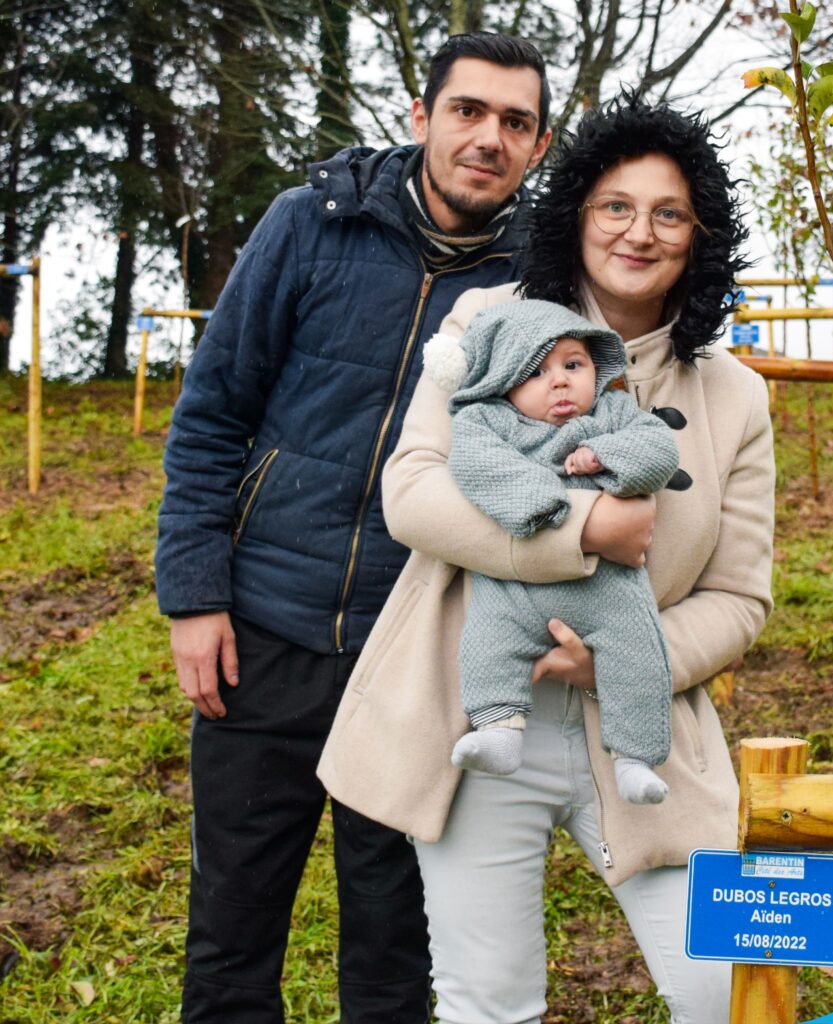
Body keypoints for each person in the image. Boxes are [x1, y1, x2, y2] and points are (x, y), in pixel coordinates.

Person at [318, 95, 773, 1024]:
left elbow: (739, 596)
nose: (638, 232)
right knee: (488, 1003)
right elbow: (414, 492)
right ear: (576, 213)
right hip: (484, 711)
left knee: (722, 990)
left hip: (647, 728)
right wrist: (582, 531)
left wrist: (621, 661)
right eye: (616, 205)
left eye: (669, 213)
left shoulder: (734, 394)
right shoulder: (487, 321)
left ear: (700, 238)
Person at [154, 32, 555, 1023]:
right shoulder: (307, 225)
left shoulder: (543, 285)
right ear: (422, 117)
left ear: (539, 147)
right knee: (231, 934)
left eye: (515, 122)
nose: (488, 137)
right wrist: (195, 595)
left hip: (419, 655)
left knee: (393, 951)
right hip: (263, 636)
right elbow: (212, 414)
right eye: (467, 110)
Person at [425, 300, 679, 804]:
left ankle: (635, 758)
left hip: (608, 586)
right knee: (487, 640)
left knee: (638, 650)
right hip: (514, 587)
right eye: (536, 371)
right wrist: (545, 501)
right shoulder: (487, 420)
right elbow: (476, 465)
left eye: (573, 364)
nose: (560, 381)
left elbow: (660, 450)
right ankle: (498, 730)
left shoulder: (613, 413)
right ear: (504, 380)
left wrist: (606, 454)